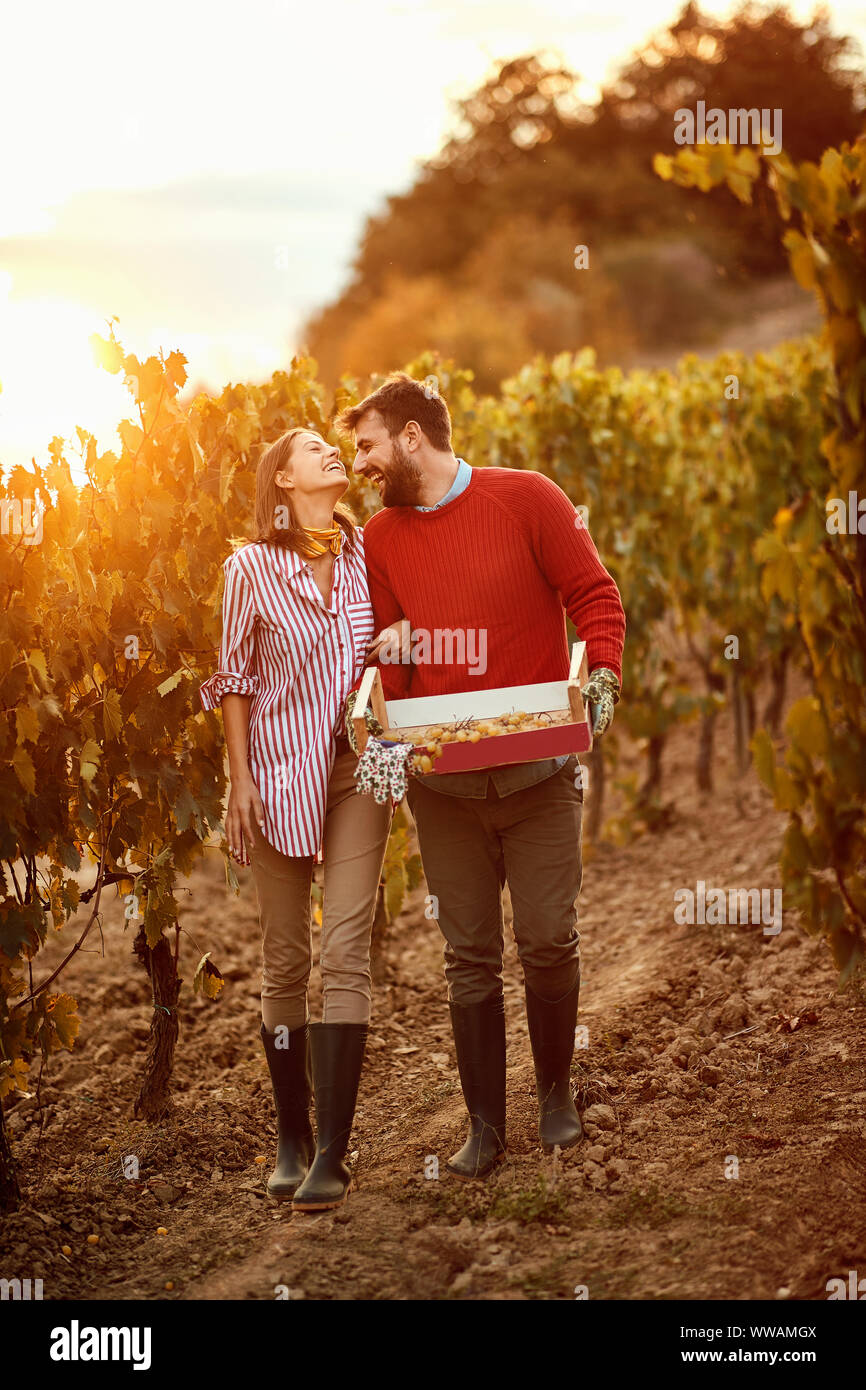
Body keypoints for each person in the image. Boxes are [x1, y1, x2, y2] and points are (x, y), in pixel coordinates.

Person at [337, 375, 626, 1179]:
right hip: (448, 792)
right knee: (468, 956)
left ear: (411, 438)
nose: (359, 464)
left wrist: (600, 678)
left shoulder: (528, 499)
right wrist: (386, 729)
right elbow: (390, 657)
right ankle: (485, 1126)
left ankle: (557, 1099)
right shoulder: (382, 538)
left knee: (545, 938)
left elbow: (596, 596)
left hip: (539, 776)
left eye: (366, 445)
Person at [200, 426, 401, 1210]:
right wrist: (237, 779)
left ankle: (333, 1154)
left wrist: (402, 640)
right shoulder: (249, 567)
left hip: (354, 770)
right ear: (282, 479)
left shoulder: (364, 554)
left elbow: (391, 639)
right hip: (279, 775)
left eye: (332, 445)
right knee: (285, 962)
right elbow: (233, 678)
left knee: (345, 951)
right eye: (313, 446)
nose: (331, 452)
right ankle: (291, 1137)